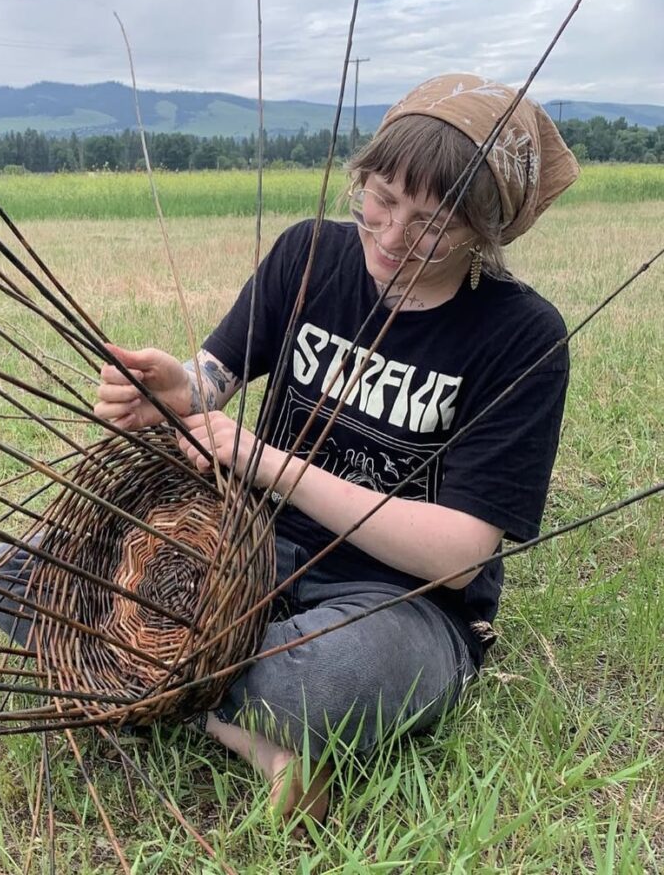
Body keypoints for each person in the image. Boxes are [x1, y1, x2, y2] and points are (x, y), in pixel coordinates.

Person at [90, 73, 579, 825]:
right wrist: (178, 387)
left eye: (430, 223)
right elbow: (215, 377)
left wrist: (269, 464)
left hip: (400, 604)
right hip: (245, 553)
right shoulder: (308, 254)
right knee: (14, 574)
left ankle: (167, 677)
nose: (389, 238)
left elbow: (457, 555)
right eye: (380, 199)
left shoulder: (522, 338)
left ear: (484, 231)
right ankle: (248, 733)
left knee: (319, 682)